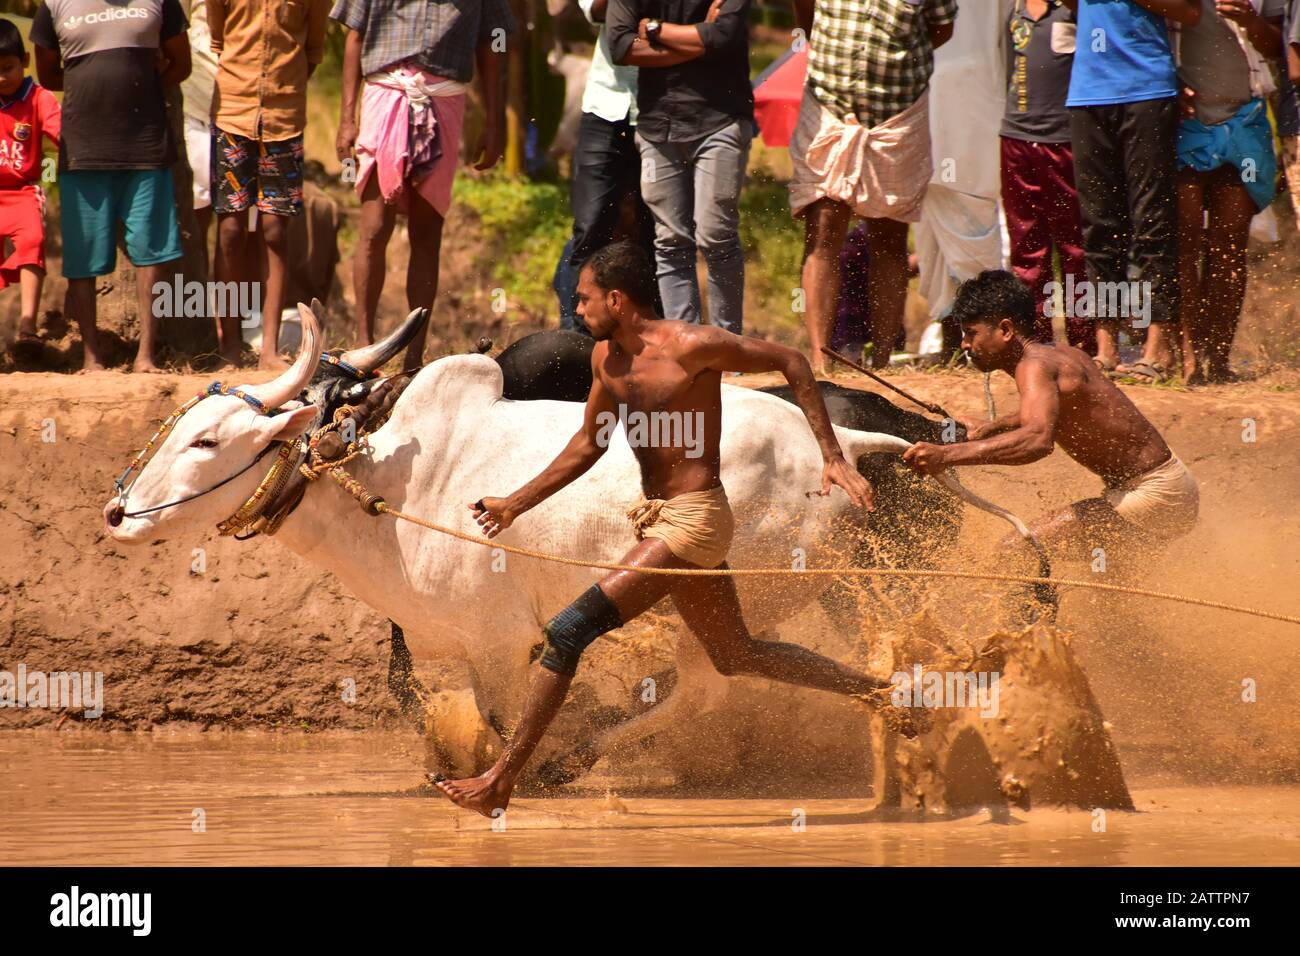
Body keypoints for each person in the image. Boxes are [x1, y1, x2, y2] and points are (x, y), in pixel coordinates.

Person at [435, 240, 914, 817]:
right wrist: (515, 503)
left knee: (566, 632)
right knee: (735, 653)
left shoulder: (693, 345)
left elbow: (793, 361)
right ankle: (885, 696)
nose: (576, 308)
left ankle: (499, 781)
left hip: (698, 520)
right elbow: (588, 445)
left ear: (617, 298)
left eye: (584, 298)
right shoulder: (605, 360)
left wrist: (832, 456)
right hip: (658, 518)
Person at [902, 270, 1199, 559]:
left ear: (1005, 330)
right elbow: (1052, 411)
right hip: (1168, 485)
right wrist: (991, 427)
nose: (965, 344)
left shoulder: (1033, 367)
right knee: (1112, 605)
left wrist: (947, 456)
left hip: (1153, 495)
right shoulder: (1061, 354)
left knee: (1014, 552)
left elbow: (1037, 440)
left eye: (971, 333)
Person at [333, 0, 515, 370]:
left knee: (427, 232)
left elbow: (492, 46)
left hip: (444, 102)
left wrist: (495, 124)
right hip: (385, 98)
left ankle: (414, 358)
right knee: (374, 227)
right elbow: (355, 37)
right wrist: (346, 119)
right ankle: (364, 347)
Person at [790, 0, 957, 373]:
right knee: (824, 227)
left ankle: (882, 361)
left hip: (899, 113)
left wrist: (897, 60)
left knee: (889, 234)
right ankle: (820, 362)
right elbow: (803, 9)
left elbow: (942, 28)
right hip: (829, 106)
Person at [31, 0, 191, 373]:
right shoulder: (55, 5)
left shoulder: (160, 2)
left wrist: (146, 86)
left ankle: (146, 357)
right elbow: (50, 74)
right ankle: (91, 358)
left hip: (146, 146)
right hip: (83, 148)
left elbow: (181, 64)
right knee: (83, 258)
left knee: (151, 252)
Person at [1066, 0, 1201, 384]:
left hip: (1147, 88)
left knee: (1153, 221)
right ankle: (1106, 348)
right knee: (1098, 226)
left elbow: (1191, 12)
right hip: (1087, 92)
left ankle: (1157, 347)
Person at [607, 0, 754, 335]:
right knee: (670, 241)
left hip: (720, 120)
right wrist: (698, 41)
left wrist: (657, 31)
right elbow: (620, 45)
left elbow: (725, 35)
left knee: (716, 236)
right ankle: (684, 348)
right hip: (658, 125)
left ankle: (727, 348)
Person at [208, 0, 328, 370]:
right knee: (230, 229)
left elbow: (312, 51)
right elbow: (218, 39)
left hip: (285, 118)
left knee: (275, 230)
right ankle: (229, 344)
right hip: (232, 114)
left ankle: (269, 350)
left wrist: (281, 90)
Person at [1174, 0, 1284, 384]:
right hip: (1185, 121)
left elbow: (1277, 46)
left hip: (1245, 119)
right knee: (1184, 245)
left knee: (1228, 246)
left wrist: (1250, 20)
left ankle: (1217, 359)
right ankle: (1188, 357)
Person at [554, 0, 656, 333]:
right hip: (605, 105)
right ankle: (576, 342)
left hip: (665, 108)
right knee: (590, 226)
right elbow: (595, 10)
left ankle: (653, 342)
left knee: (656, 232)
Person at [999, 0, 1093, 353]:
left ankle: (1084, 346)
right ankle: (1034, 343)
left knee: (1075, 247)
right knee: (1026, 249)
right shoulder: (1012, 8)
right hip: (1015, 137)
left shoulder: (1075, 8)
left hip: (1066, 139)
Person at [0, 18, 61, 362]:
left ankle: (27, 328)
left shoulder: (39, 98)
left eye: (7, 68)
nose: (1, 77)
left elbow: (61, 130)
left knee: (33, 240)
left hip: (23, 190)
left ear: (24, 60)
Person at [180, 0, 217, 284]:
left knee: (243, 233)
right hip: (195, 109)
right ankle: (199, 316)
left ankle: (235, 321)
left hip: (248, 114)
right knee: (195, 223)